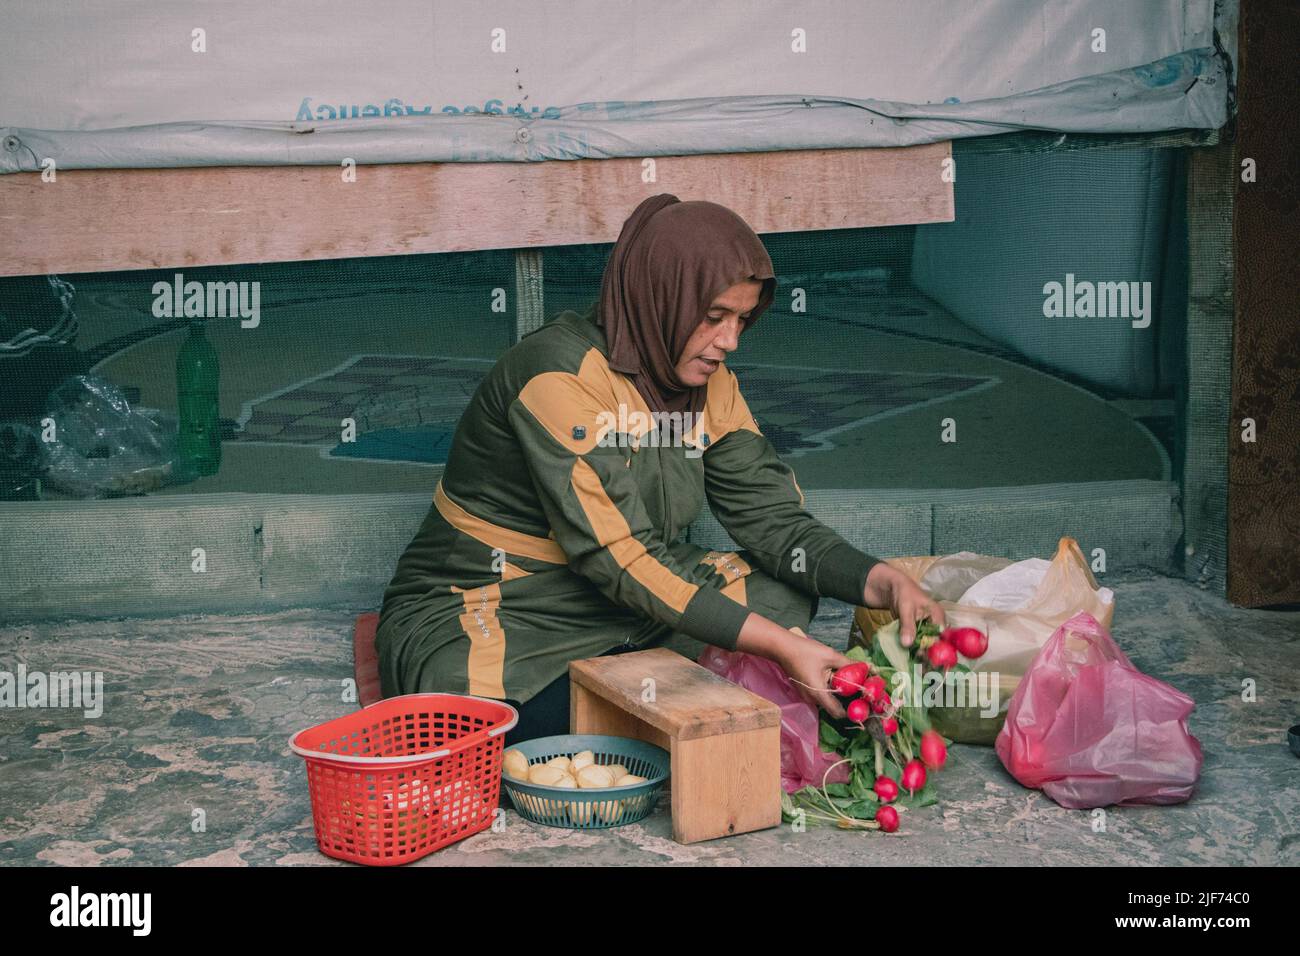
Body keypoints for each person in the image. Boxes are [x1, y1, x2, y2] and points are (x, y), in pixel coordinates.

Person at [377, 194, 943, 745]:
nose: (730, 342)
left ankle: (637, 701)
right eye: (714, 317)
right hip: (504, 604)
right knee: (481, 723)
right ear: (661, 298)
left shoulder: (707, 383)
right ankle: (654, 698)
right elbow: (619, 558)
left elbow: (774, 523)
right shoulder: (559, 377)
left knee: (783, 591)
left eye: (743, 320)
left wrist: (884, 580)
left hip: (626, 600)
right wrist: (781, 648)